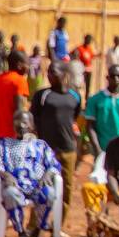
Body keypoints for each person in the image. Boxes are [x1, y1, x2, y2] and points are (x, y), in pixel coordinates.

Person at [0, 109, 61, 237]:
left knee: (49, 193)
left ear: (32, 125)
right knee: (10, 194)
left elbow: (54, 165)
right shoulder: (3, 145)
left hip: (37, 186)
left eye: (24, 122)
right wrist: (5, 175)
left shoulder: (41, 146)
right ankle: (22, 234)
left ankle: (36, 233)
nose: (21, 125)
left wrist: (48, 174)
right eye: (17, 122)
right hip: (15, 187)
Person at [31, 60, 82, 220]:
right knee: (41, 187)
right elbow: (35, 118)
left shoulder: (75, 96)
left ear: (64, 74)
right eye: (49, 72)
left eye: (54, 72)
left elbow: (75, 117)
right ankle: (35, 226)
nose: (50, 75)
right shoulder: (42, 95)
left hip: (68, 149)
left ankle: (59, 225)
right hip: (46, 151)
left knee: (67, 189)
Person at [83, 63, 119, 158]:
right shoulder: (95, 100)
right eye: (113, 76)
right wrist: (97, 149)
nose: (116, 79)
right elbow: (90, 126)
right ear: (107, 77)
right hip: (102, 149)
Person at [0, 50, 31, 144]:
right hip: (12, 138)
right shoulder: (19, 81)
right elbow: (19, 113)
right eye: (27, 64)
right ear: (19, 65)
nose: (28, 67)